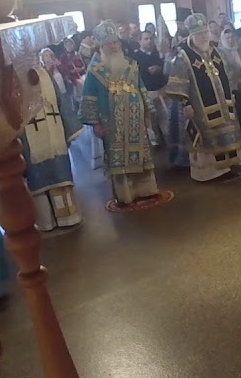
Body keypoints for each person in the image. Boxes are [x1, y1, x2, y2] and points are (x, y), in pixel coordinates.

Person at [79, 20, 160, 206]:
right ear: (102, 46)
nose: (114, 46)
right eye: (109, 44)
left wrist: (147, 110)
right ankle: (126, 194)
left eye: (115, 42)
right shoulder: (95, 69)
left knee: (140, 153)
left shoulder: (130, 64)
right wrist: (95, 123)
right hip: (112, 122)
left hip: (135, 120)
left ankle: (146, 189)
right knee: (119, 158)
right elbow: (89, 97)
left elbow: (140, 87)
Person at [165, 13, 241, 183]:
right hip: (200, 107)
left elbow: (226, 73)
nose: (204, 37)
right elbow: (178, 84)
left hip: (224, 102)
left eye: (205, 33)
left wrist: (231, 93)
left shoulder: (216, 51)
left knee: (226, 132)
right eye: (199, 34)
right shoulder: (184, 56)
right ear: (192, 35)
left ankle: (229, 166)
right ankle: (211, 173)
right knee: (207, 138)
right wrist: (186, 104)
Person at [22, 48, 83, 232]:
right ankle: (46, 222)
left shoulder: (46, 76)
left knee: (60, 176)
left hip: (54, 132)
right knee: (38, 181)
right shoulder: (13, 81)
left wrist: (70, 131)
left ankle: (68, 218)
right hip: (29, 140)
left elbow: (62, 102)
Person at [130, 29, 169, 147]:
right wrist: (146, 71)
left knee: (165, 117)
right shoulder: (135, 57)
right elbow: (134, 74)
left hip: (161, 89)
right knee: (151, 119)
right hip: (147, 91)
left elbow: (166, 67)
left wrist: (160, 68)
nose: (149, 41)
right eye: (146, 39)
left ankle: (168, 140)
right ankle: (155, 142)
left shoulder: (157, 54)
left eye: (151, 38)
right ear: (140, 41)